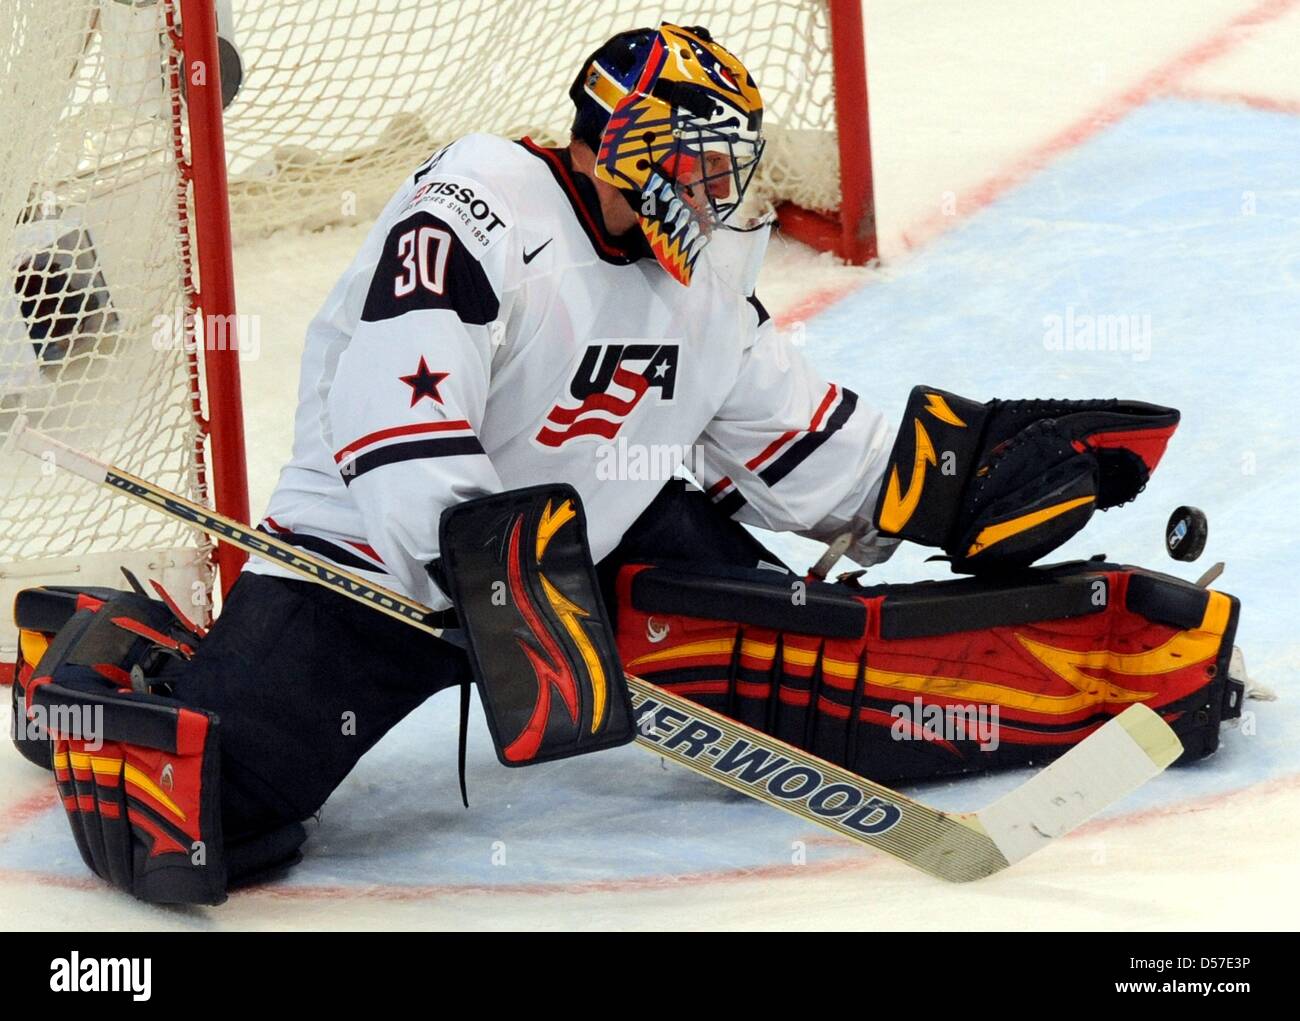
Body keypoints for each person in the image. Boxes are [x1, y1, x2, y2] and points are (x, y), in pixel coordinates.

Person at [18, 24, 1187, 904]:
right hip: (371, 568)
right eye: (703, 164)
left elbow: (803, 445)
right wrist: (498, 586)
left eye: (729, 169)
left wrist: (971, 478)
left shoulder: (704, 279)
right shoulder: (478, 207)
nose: (722, 194)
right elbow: (393, 423)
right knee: (194, 829)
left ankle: (1073, 664)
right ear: (630, 148)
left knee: (816, 668)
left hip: (588, 559)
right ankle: (111, 655)